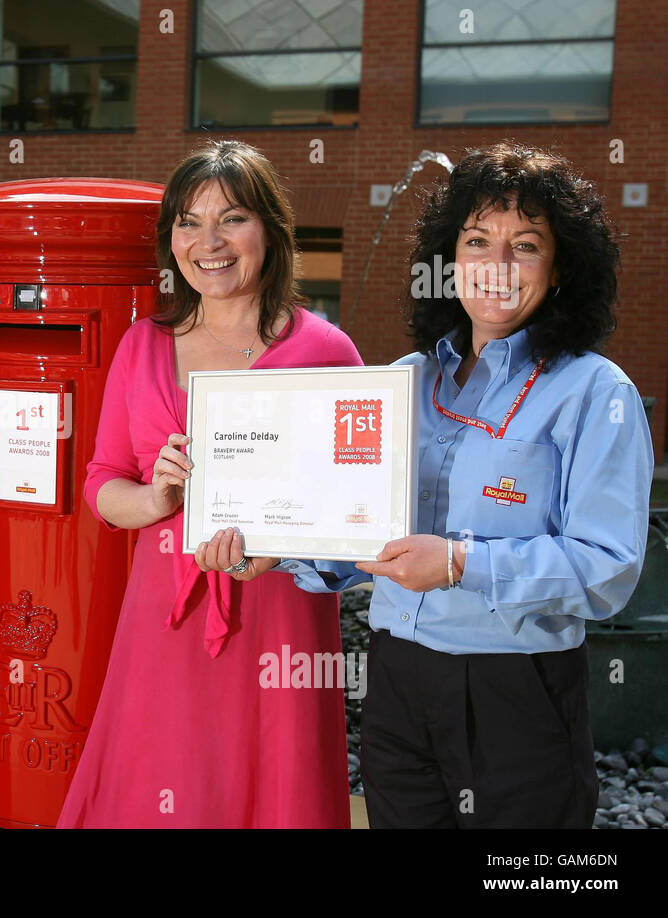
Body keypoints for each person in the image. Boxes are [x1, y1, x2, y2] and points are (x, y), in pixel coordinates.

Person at [226, 141, 654, 828]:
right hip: (399, 682)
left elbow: (608, 569)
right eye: (478, 240)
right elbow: (360, 525)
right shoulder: (406, 380)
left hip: (516, 691)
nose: (497, 266)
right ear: (449, 259)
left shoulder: (595, 393)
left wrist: (461, 563)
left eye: (526, 245)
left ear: (563, 264)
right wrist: (280, 547)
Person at [56, 140, 363, 828]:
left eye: (232, 219)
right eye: (189, 222)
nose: (208, 242)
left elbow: (357, 509)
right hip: (165, 616)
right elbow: (103, 481)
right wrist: (156, 500)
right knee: (161, 781)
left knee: (273, 784)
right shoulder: (141, 345)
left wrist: (282, 549)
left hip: (278, 616)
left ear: (272, 231)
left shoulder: (326, 353)